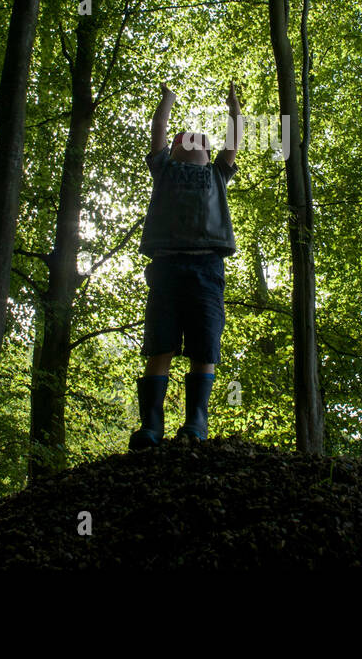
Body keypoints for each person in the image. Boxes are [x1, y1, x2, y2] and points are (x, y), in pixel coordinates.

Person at [129, 81, 241, 448]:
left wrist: (234, 108)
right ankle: (152, 425)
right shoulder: (164, 169)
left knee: (205, 344)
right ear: (174, 150)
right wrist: (167, 100)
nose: (193, 141)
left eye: (200, 140)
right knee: (160, 344)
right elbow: (158, 131)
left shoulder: (218, 175)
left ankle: (196, 421)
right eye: (184, 139)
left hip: (208, 269)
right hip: (166, 269)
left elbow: (235, 140)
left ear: (209, 154)